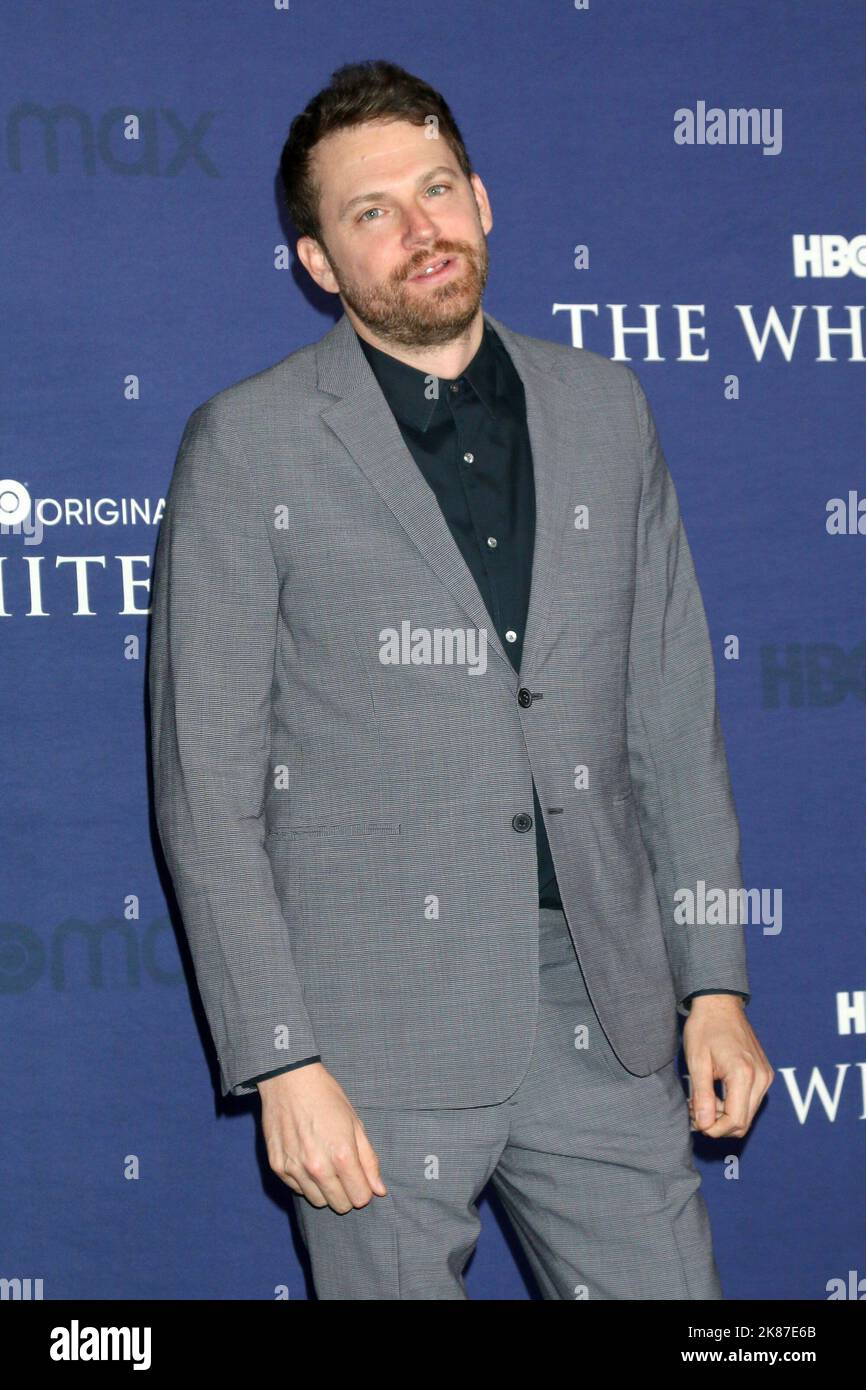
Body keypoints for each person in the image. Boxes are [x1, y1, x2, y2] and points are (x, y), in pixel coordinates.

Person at [148, 59, 774, 1300]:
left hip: (604, 1007)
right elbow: (204, 787)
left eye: (435, 189)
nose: (417, 227)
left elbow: (667, 721)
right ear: (318, 262)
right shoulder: (250, 442)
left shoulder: (607, 408)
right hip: (366, 1032)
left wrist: (712, 983)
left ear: (482, 200)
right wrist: (284, 1062)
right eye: (370, 211)